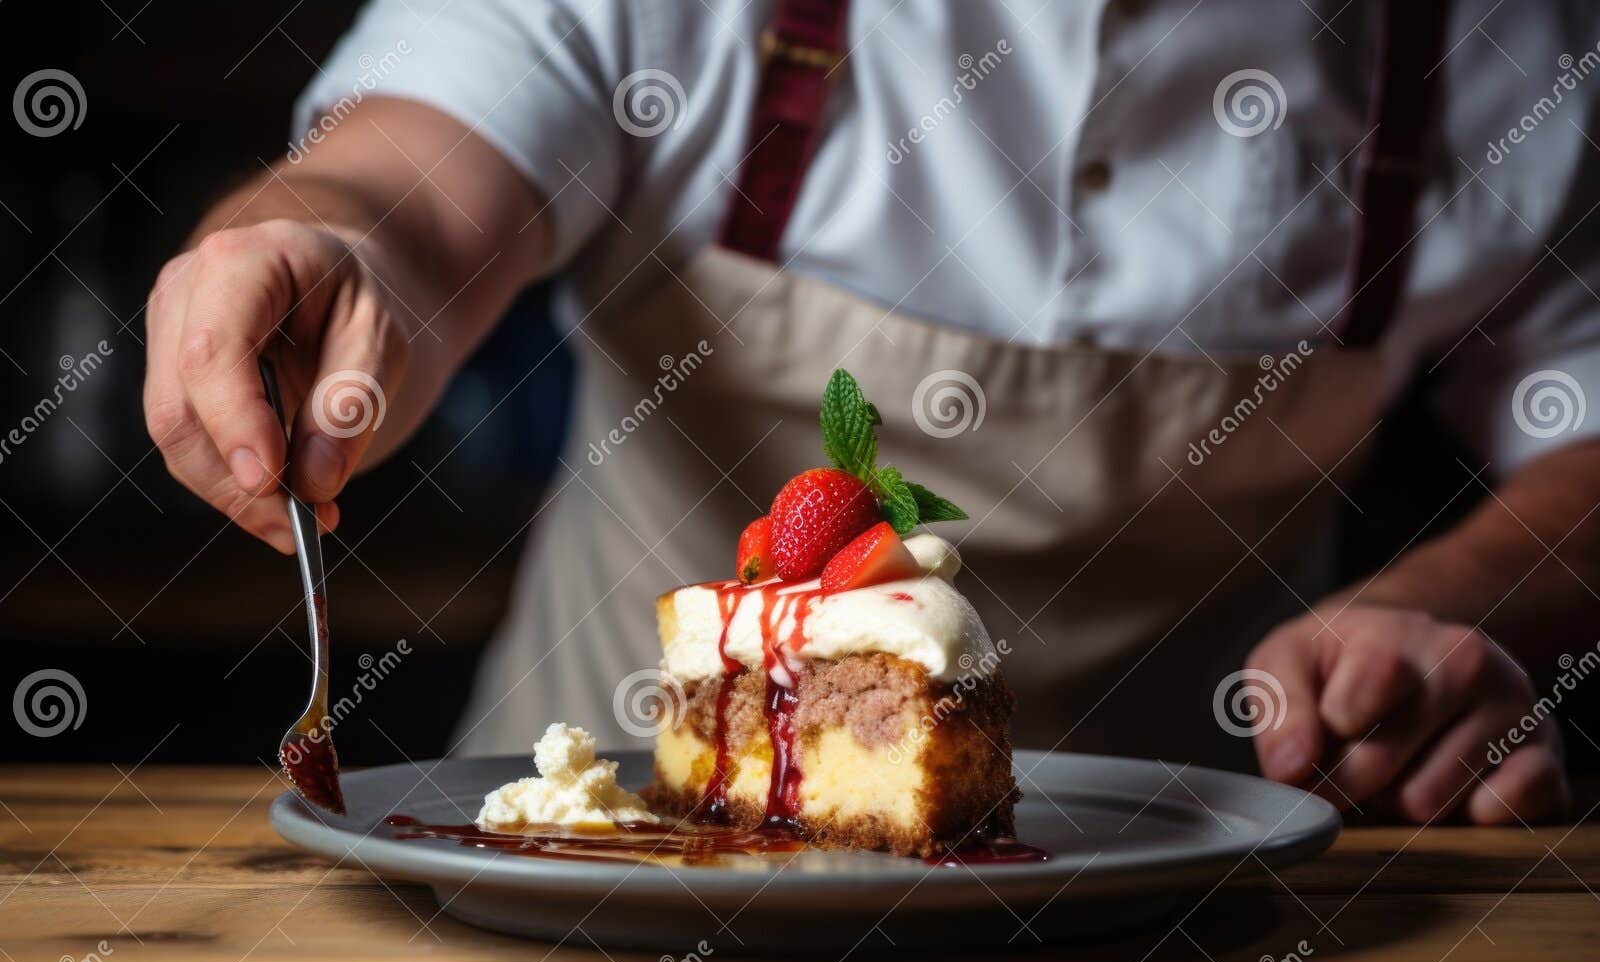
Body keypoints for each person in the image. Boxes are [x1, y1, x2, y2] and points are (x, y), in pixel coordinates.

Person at [142, 0, 1597, 825]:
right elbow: (414, 177)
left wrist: (1459, 604)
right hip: (585, 890)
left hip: (1187, 928)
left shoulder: (1507, 44)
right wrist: (336, 238)